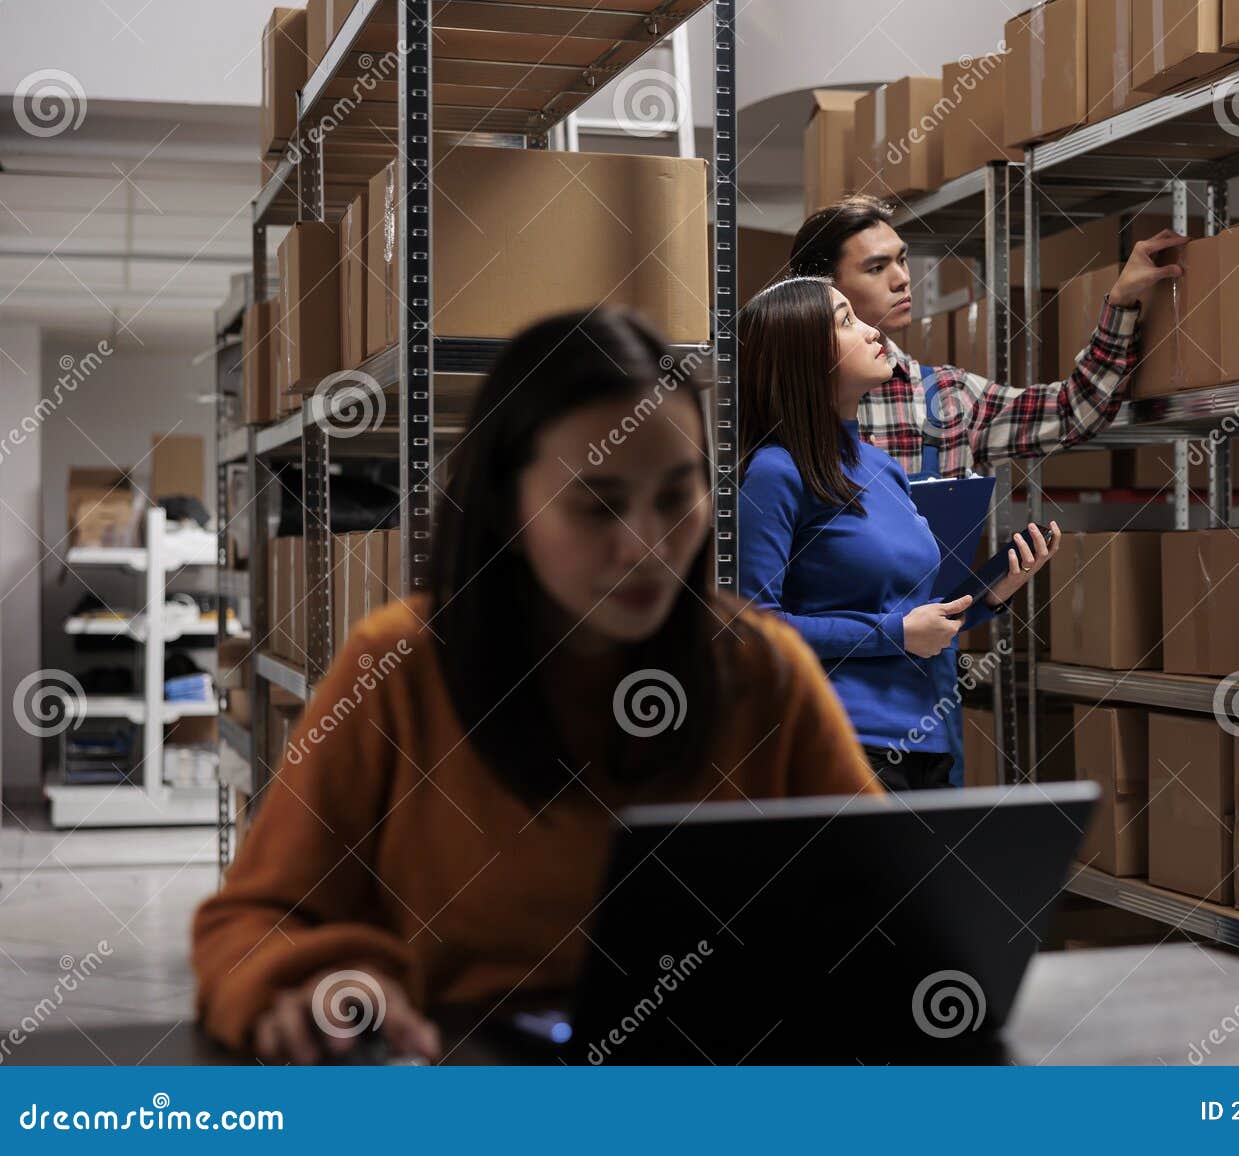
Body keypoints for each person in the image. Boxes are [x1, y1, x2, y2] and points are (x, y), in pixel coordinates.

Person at [192, 308, 882, 1064]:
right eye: (598, 505)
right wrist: (314, 984)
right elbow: (253, 919)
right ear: (508, 506)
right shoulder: (398, 670)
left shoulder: (762, 668)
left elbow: (892, 904)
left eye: (678, 495)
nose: (647, 545)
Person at [788, 196, 1186, 782]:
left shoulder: (946, 400)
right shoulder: (778, 429)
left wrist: (1122, 303)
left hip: (925, 705)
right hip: (824, 705)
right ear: (823, 292)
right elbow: (756, 608)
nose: (902, 278)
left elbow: (1070, 410)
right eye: (876, 268)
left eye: (902, 259)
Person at [736, 277, 1060, 791]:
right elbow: (755, 632)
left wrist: (991, 594)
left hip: (924, 742)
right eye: (846, 321)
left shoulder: (882, 468)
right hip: (839, 742)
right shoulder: (776, 473)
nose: (870, 331)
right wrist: (896, 633)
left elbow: (917, 617)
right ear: (803, 357)